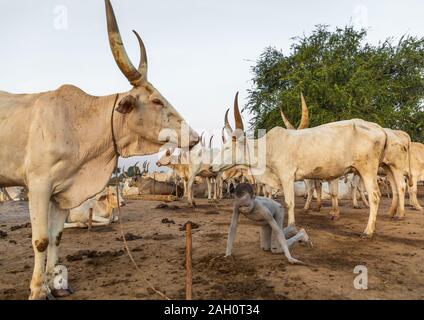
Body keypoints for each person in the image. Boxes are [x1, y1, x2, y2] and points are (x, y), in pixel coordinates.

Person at [226, 183, 312, 264]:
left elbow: (278, 231)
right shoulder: (238, 205)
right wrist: (228, 253)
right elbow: (233, 227)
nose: (243, 209)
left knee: (276, 248)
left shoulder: (263, 210)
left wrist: (288, 256)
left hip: (276, 212)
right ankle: (291, 230)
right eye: (240, 206)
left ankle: (300, 235)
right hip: (264, 221)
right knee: (265, 247)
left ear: (253, 198)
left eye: (246, 205)